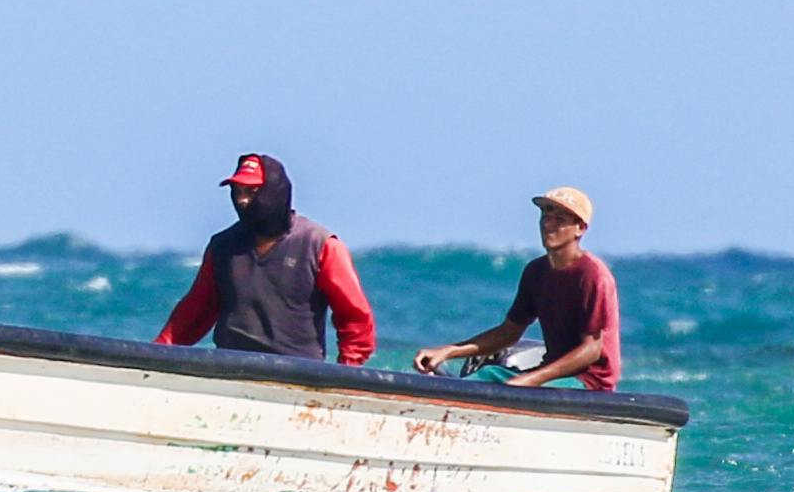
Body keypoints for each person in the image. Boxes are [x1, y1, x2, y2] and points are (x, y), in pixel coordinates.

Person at [159, 153, 374, 363]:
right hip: (230, 369)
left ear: (274, 193)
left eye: (251, 192)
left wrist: (348, 368)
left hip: (299, 374)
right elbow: (196, 310)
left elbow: (354, 316)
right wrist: (159, 353)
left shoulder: (320, 245)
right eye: (237, 191)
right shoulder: (222, 246)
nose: (242, 200)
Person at [418, 186, 623, 391]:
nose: (548, 224)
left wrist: (531, 379)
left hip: (587, 383)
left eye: (559, 220)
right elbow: (509, 333)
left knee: (512, 386)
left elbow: (591, 350)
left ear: (580, 228)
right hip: (549, 373)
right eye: (545, 216)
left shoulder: (593, 275)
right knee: (486, 375)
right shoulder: (536, 271)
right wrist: (447, 352)